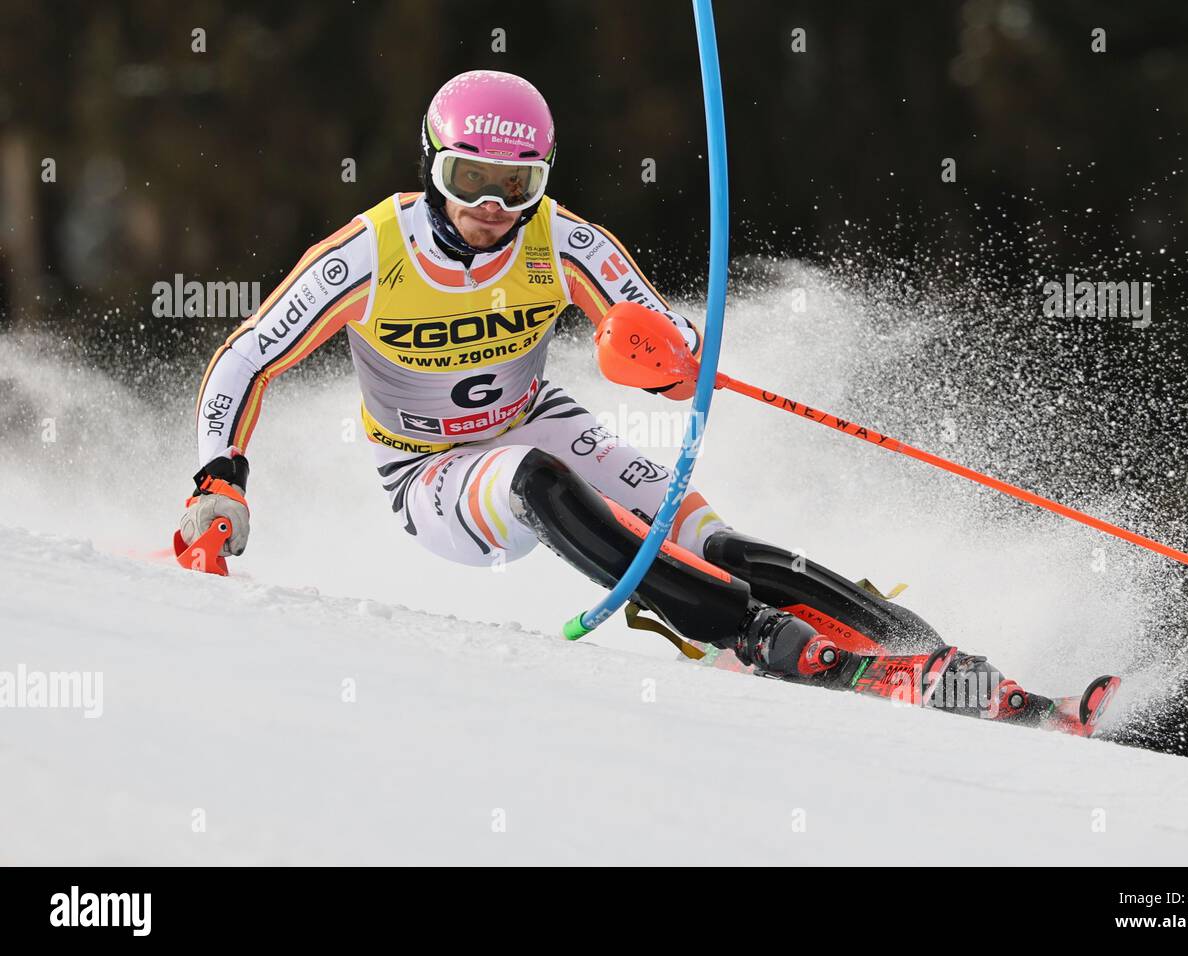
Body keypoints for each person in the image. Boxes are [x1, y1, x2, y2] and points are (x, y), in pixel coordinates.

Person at [179, 70, 1112, 733]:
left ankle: (941, 662)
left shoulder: (564, 241)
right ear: (432, 166)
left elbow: (666, 340)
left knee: (713, 539)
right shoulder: (370, 253)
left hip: (535, 415)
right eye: (471, 180)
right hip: (429, 471)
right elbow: (247, 358)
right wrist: (220, 480)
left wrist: (667, 360)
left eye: (518, 185)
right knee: (535, 478)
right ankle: (751, 636)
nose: (494, 207)